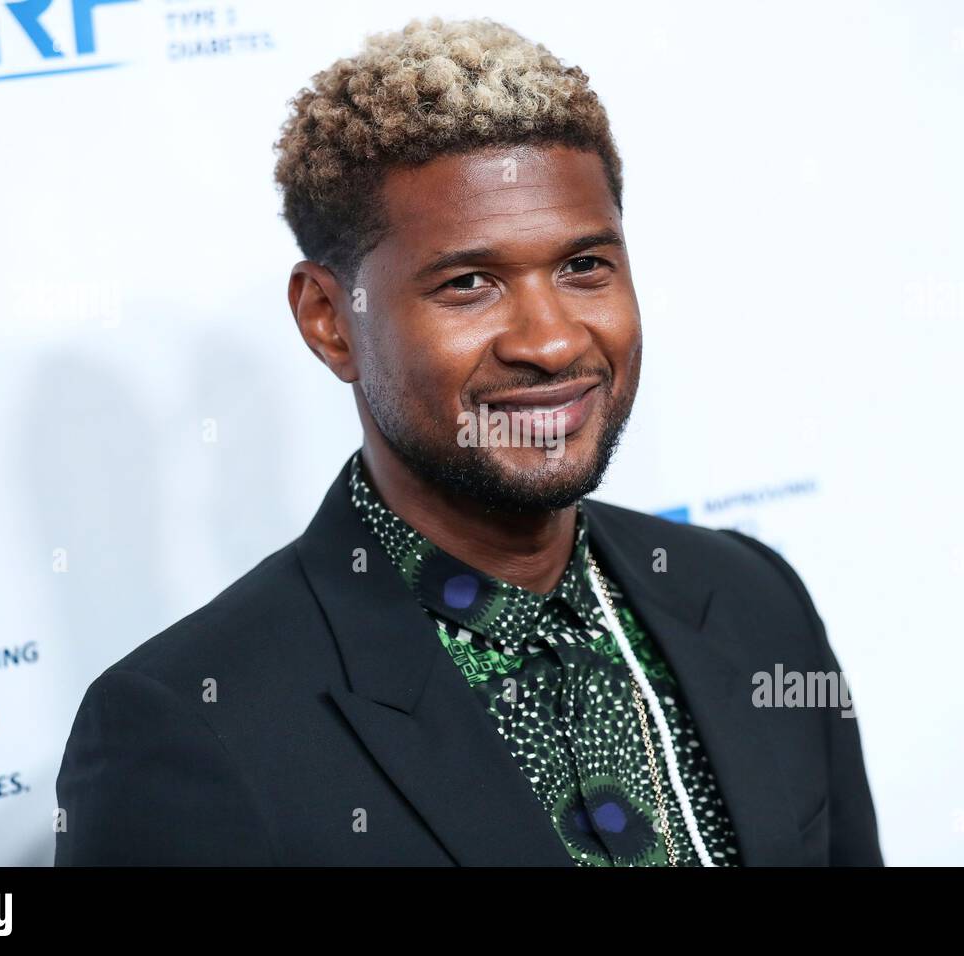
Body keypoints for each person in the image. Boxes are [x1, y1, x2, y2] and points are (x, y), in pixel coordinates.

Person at [54, 16, 883, 867]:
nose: (553, 341)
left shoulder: (753, 599)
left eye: (584, 267)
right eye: (469, 284)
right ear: (331, 322)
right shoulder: (190, 728)